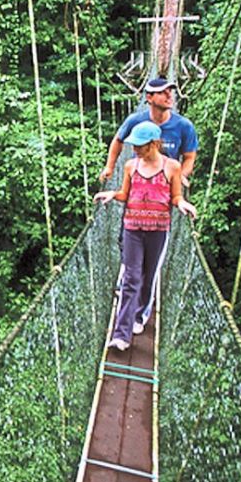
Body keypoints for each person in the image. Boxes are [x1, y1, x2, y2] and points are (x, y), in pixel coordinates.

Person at [94, 122, 197, 351]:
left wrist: (183, 205)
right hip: (132, 229)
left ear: (153, 144)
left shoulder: (172, 167)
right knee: (131, 278)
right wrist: (112, 194)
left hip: (158, 231)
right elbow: (125, 194)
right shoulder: (131, 166)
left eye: (139, 145)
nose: (135, 150)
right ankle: (121, 334)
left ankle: (139, 316)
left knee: (148, 278)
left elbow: (176, 196)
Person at [99, 77, 198, 186]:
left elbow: (189, 157)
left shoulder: (184, 126)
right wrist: (109, 167)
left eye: (169, 91)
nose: (169, 96)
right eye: (162, 93)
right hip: (138, 181)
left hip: (167, 184)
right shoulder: (135, 121)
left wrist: (180, 176)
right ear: (149, 98)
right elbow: (118, 140)